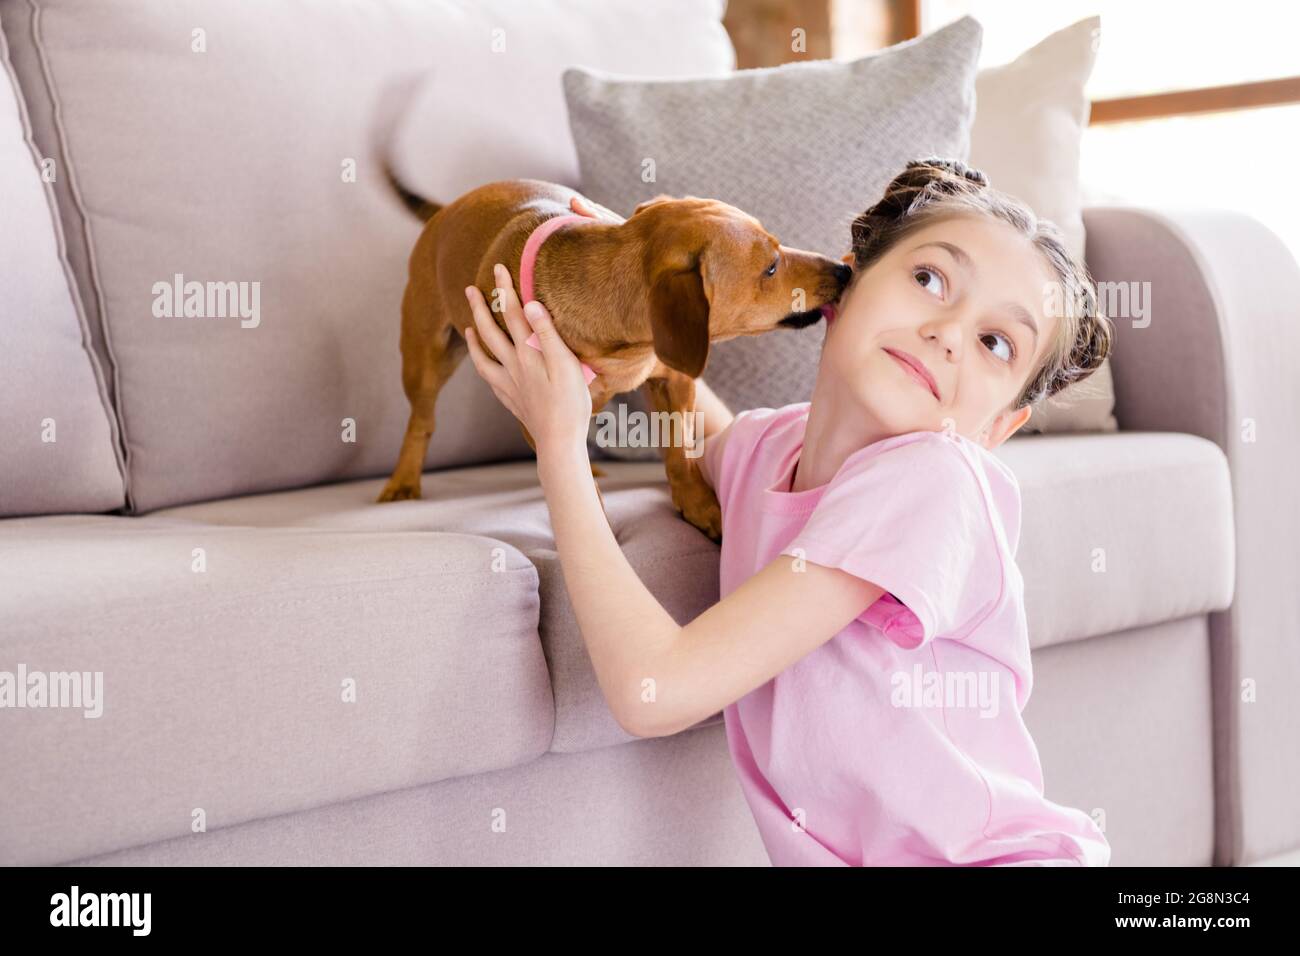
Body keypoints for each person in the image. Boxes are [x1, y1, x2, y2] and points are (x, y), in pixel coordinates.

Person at [461, 158, 1114, 866]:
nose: (949, 332)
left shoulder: (935, 480)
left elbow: (654, 690)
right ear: (842, 283)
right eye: (929, 279)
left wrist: (559, 442)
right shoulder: (772, 449)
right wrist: (628, 297)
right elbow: (703, 432)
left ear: (999, 428)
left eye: (995, 343)